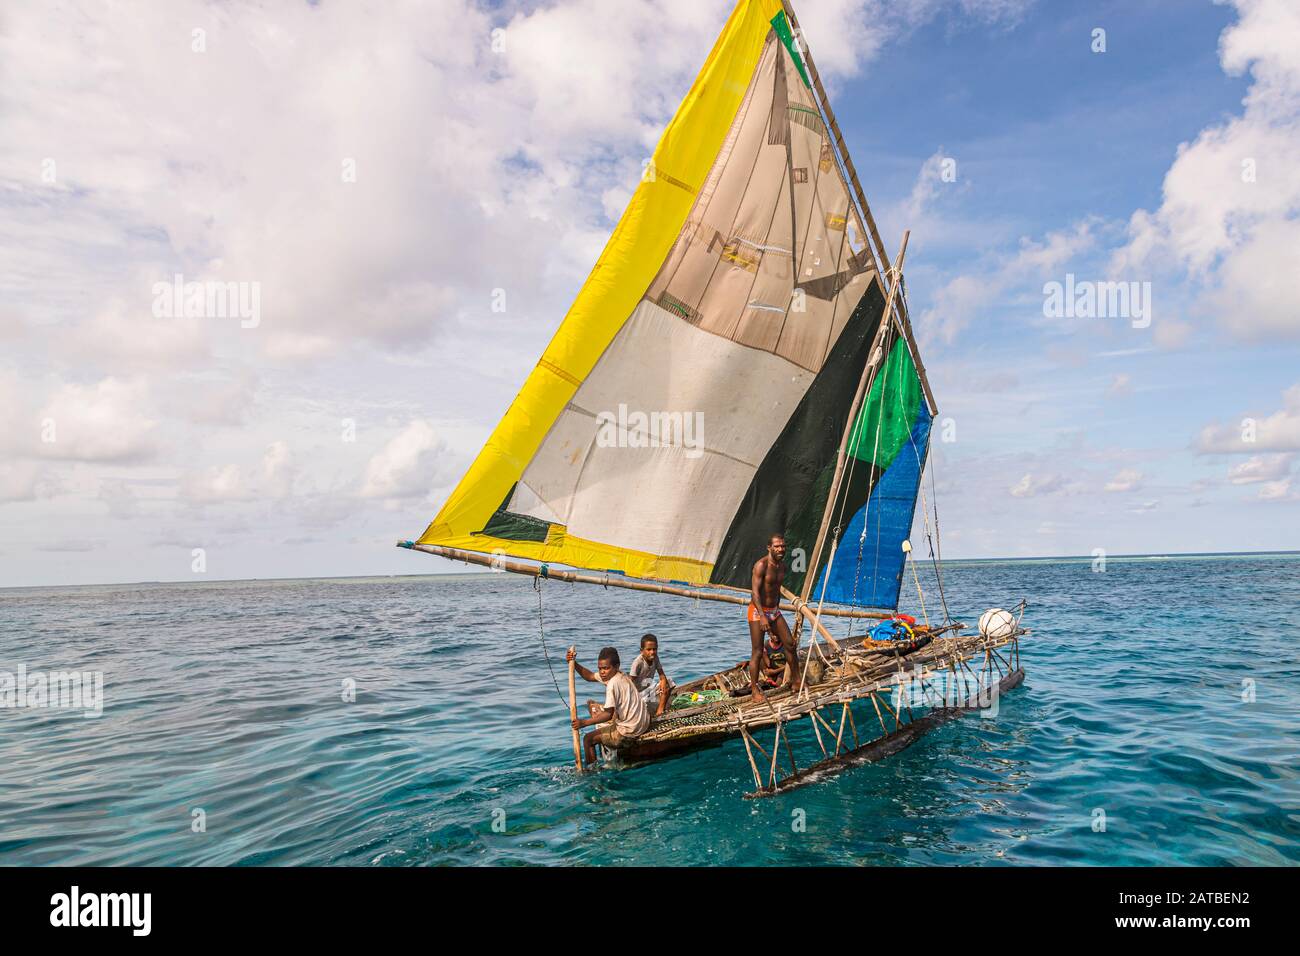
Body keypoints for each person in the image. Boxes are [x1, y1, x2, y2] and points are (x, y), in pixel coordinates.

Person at [566, 646, 650, 767]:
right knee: (608, 717)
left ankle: (592, 772)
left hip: (630, 731)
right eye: (600, 669)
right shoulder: (620, 675)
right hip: (643, 722)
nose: (602, 672)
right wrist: (573, 663)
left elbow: (608, 714)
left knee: (588, 739)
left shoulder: (612, 683)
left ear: (616, 667)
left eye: (606, 668)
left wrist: (584, 723)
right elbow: (589, 676)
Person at [748, 533, 800, 703]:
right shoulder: (761, 565)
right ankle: (754, 690)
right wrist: (763, 617)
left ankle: (796, 681)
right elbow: (754, 593)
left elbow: (776, 591)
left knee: (790, 644)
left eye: (783, 546)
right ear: (769, 548)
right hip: (758, 611)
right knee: (757, 651)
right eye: (777, 546)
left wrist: (774, 613)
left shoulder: (782, 566)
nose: (780, 549)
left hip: (774, 611)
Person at [627, 633, 675, 717]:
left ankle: (660, 710)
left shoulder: (655, 658)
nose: (652, 652)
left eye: (654, 649)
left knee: (668, 683)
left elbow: (662, 676)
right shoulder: (638, 663)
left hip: (649, 690)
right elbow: (630, 683)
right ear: (642, 651)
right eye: (648, 649)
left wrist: (663, 682)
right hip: (638, 694)